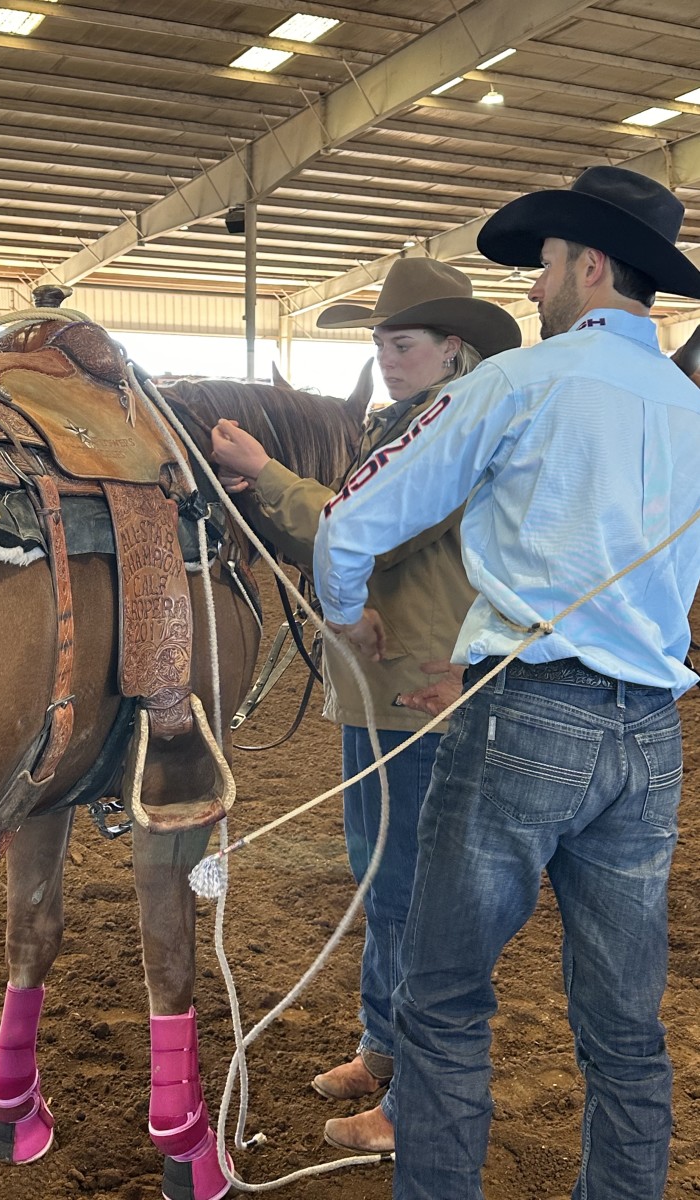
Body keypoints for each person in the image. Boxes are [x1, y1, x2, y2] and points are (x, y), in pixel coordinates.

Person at [312, 165, 700, 1198]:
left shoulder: (517, 383)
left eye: (545, 266)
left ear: (591, 263)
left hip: (527, 715)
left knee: (441, 1000)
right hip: (651, 732)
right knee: (624, 1020)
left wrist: (349, 611)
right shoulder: (687, 403)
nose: (534, 289)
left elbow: (351, 518)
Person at [210, 257, 521, 1153]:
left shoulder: (448, 429)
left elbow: (364, 524)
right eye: (383, 341)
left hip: (420, 690)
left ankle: (414, 1097)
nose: (388, 357)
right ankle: (384, 1047)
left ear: (451, 349)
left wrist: (267, 470)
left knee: (415, 897)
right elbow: (345, 521)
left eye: (406, 341)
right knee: (386, 888)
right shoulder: (404, 422)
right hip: (381, 695)